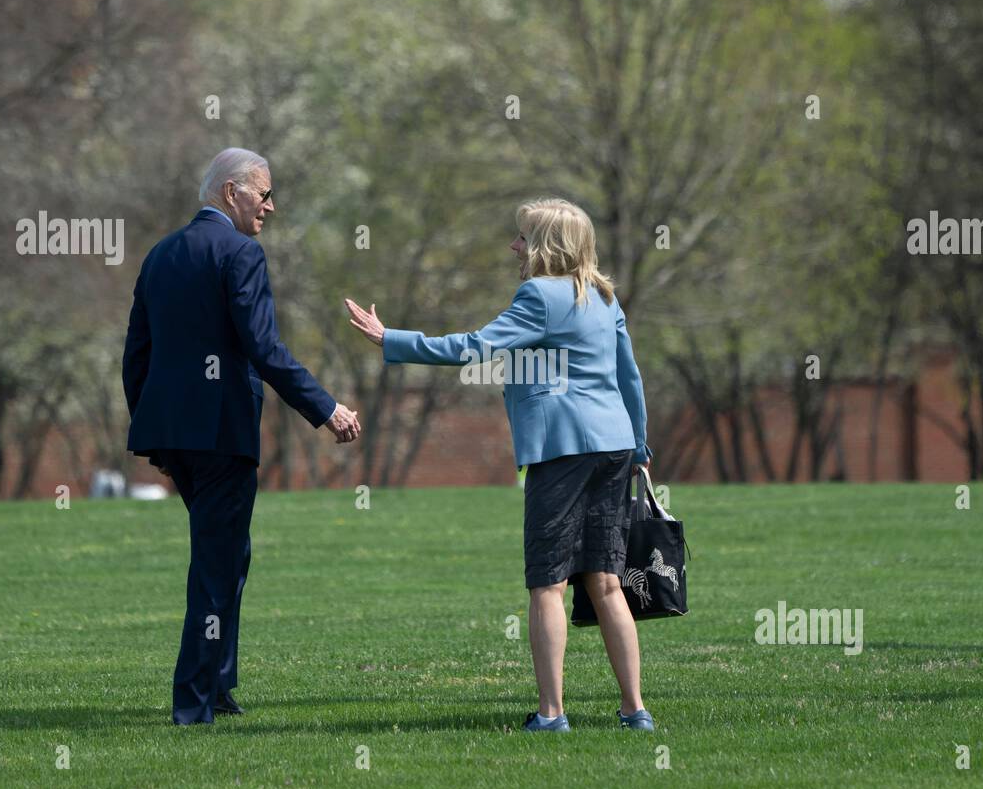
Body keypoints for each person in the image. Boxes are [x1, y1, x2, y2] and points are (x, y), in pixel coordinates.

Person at [345, 197, 655, 732]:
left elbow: (474, 347)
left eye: (522, 238)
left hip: (562, 450)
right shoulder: (605, 297)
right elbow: (630, 378)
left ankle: (552, 714)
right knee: (607, 581)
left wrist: (389, 338)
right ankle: (635, 711)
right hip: (614, 446)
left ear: (545, 246)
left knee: (548, 583)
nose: (514, 246)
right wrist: (641, 446)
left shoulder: (538, 295)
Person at [122, 147, 361, 726]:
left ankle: (220, 685)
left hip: (177, 436)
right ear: (232, 193)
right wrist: (325, 408)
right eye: (264, 193)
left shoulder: (160, 255)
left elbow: (137, 356)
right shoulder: (240, 252)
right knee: (215, 562)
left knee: (230, 555)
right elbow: (264, 347)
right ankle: (193, 703)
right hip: (222, 433)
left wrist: (155, 435)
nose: (271, 206)